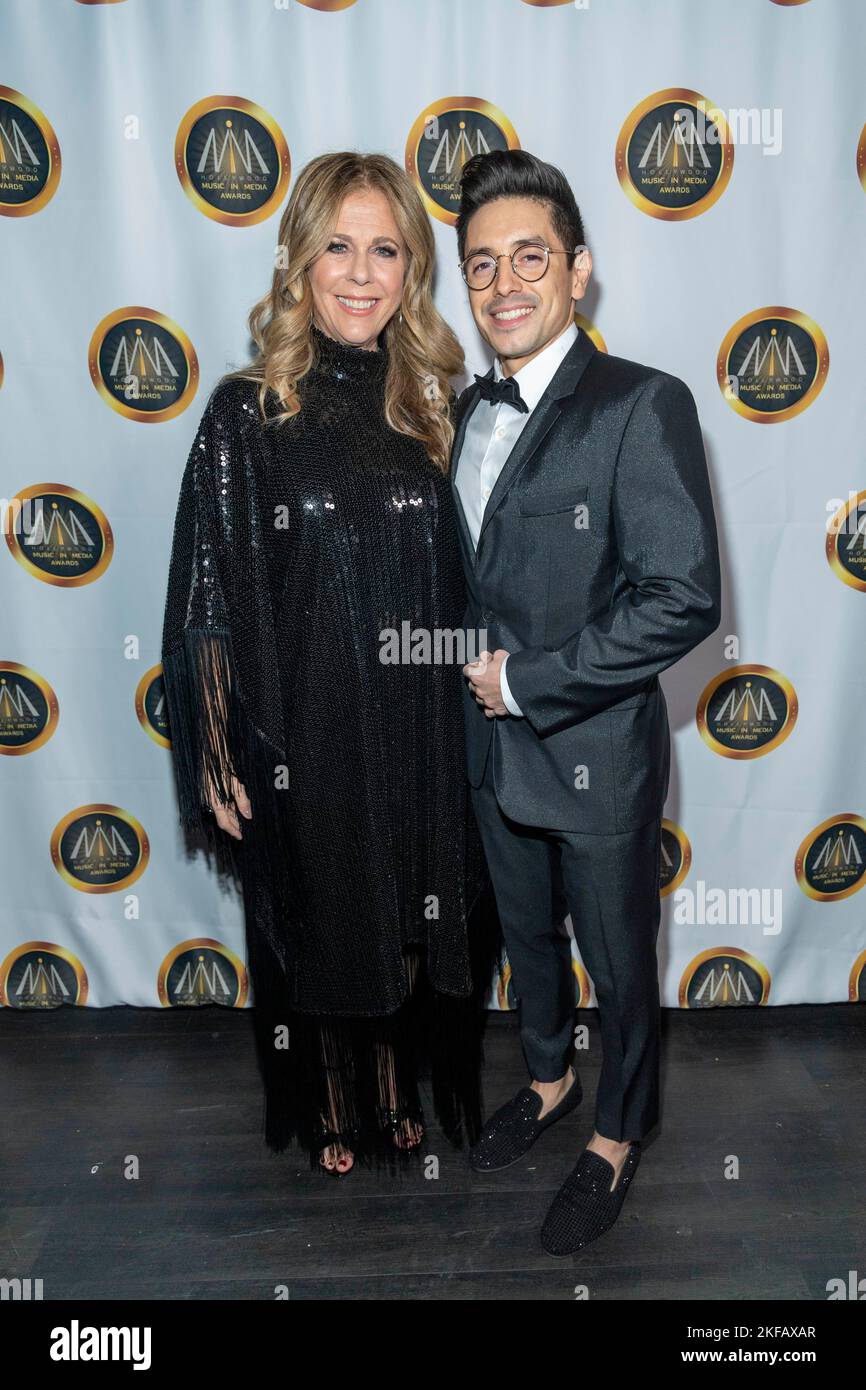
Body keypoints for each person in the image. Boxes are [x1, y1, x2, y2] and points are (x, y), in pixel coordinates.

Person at [160, 151, 498, 1177]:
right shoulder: (245, 413)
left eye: (383, 249)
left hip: (426, 720)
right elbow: (208, 592)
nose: (359, 273)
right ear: (298, 263)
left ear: (411, 268)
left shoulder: (436, 406)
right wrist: (220, 753)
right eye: (336, 247)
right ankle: (334, 1094)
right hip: (308, 722)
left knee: (410, 908)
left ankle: (399, 1083)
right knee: (326, 912)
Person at [450, 149, 722, 1253]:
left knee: (614, 954)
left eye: (528, 257)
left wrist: (529, 680)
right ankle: (549, 1078)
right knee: (525, 938)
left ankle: (614, 1134)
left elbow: (681, 597)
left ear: (578, 271)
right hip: (484, 753)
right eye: (479, 264)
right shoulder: (469, 406)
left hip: (593, 753)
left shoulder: (639, 403)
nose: (503, 283)